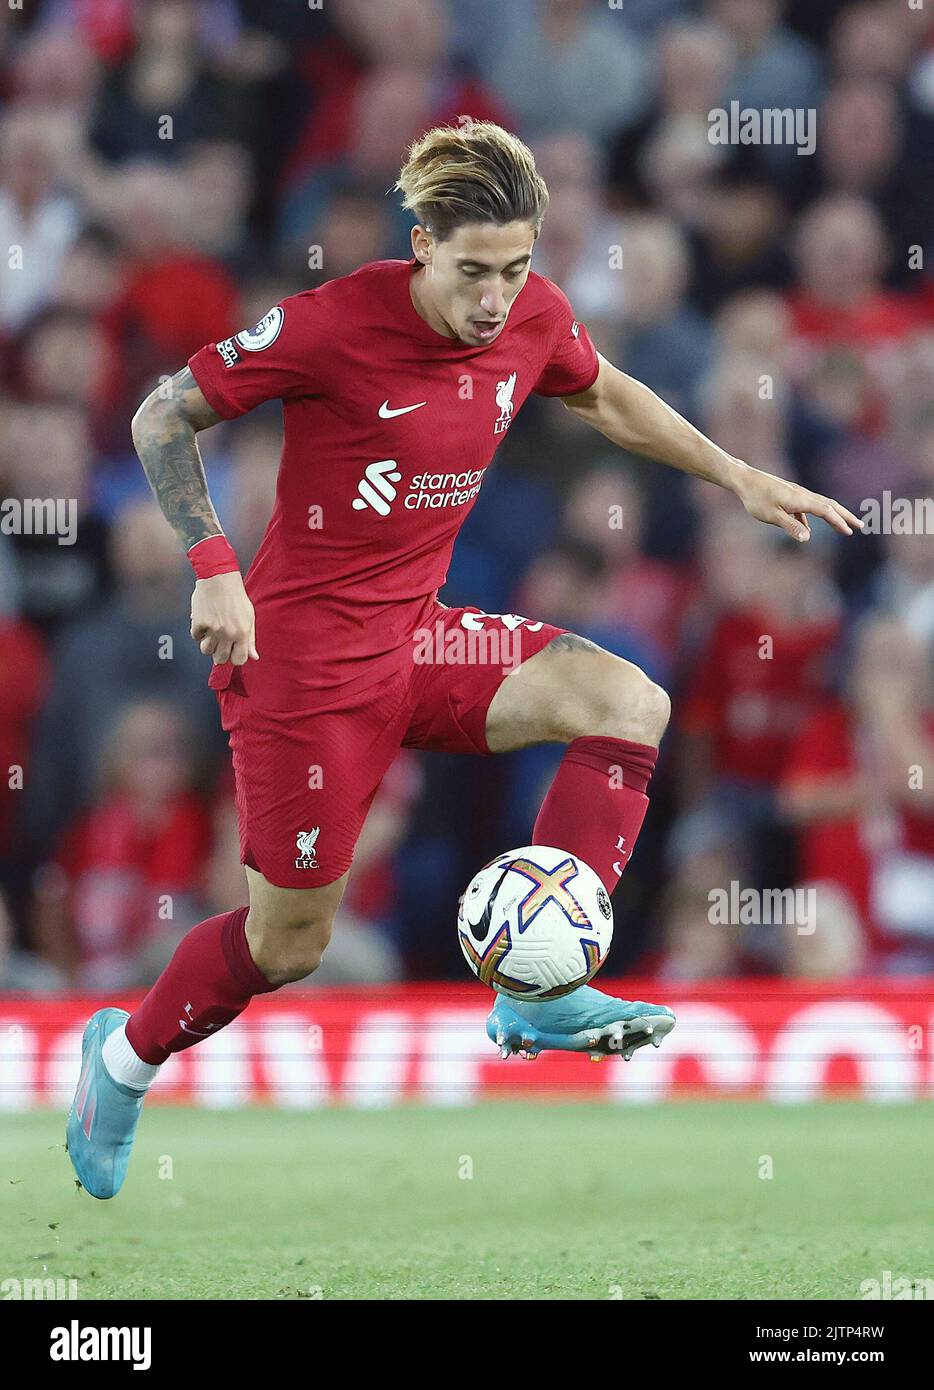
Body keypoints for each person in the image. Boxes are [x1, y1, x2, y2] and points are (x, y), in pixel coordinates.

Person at [66, 121, 863, 1199]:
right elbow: (163, 413)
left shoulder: (529, 313)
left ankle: (539, 988)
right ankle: (121, 1060)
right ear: (421, 245)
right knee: (290, 941)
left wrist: (734, 476)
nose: (497, 299)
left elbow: (604, 391)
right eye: (473, 272)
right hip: (300, 668)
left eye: (517, 269)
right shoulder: (330, 323)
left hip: (418, 634)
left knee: (626, 700)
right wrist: (213, 565)